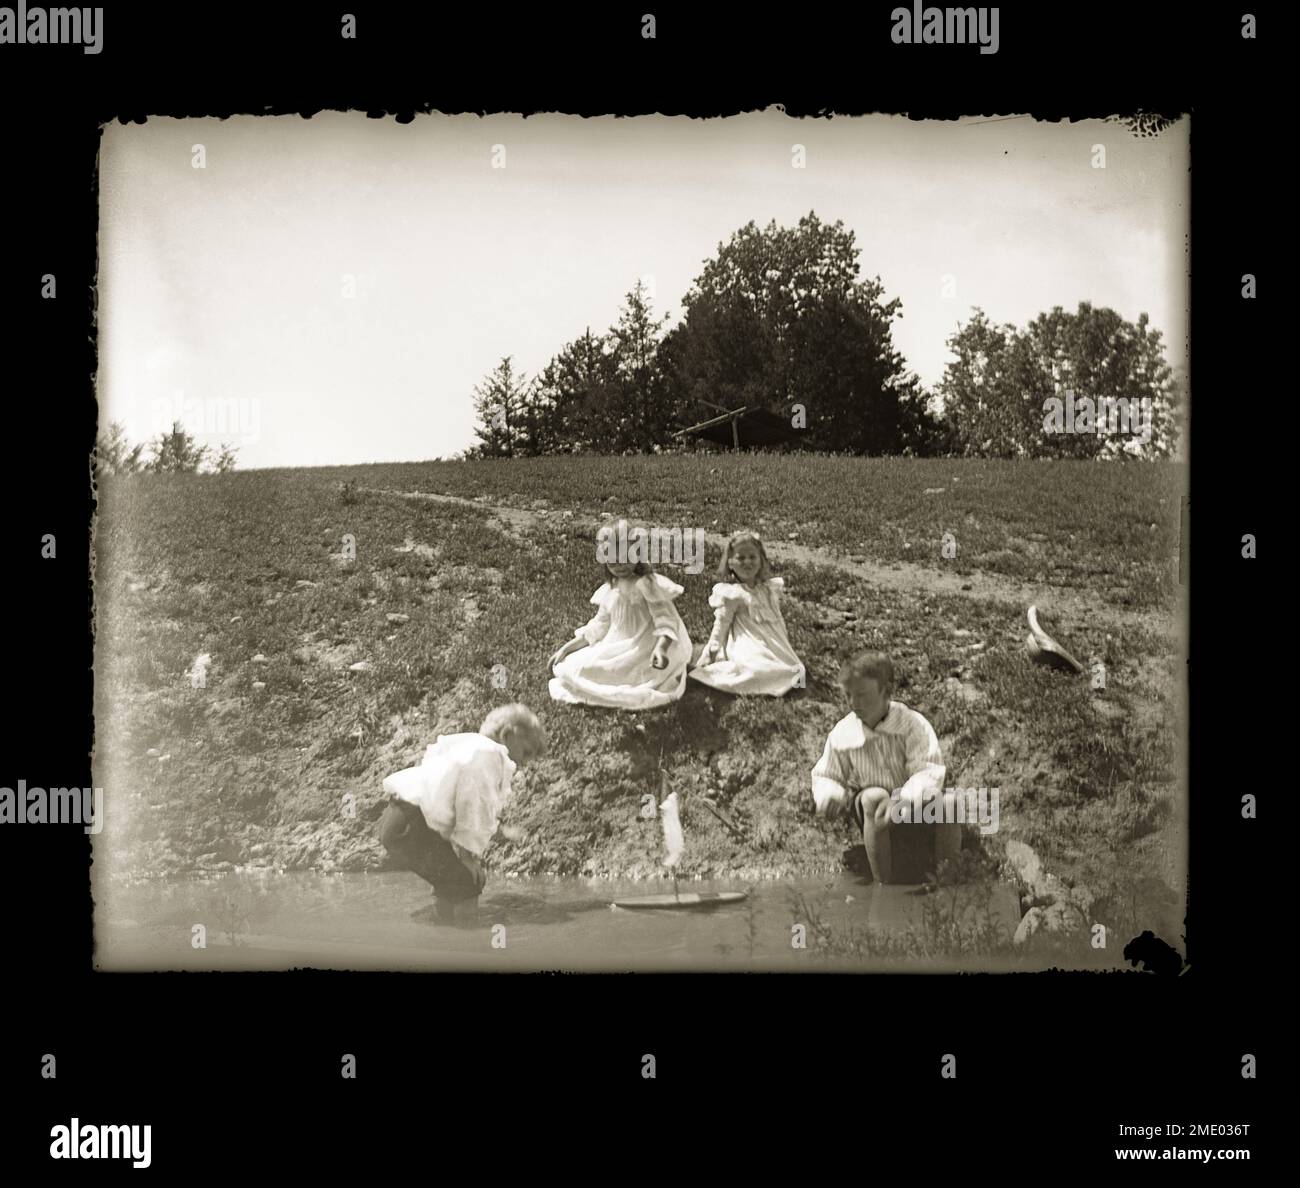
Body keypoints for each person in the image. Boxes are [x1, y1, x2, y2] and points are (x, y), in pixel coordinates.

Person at [378, 703, 547, 922]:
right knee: (467, 882)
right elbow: (472, 804)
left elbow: (453, 803)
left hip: (400, 819)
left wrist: (496, 834)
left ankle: (444, 925)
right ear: (507, 735)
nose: (525, 762)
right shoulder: (489, 754)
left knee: (451, 879)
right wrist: (468, 858)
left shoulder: (470, 746)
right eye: (526, 752)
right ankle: (467, 938)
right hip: (412, 822)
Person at [810, 651, 959, 884]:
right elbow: (827, 774)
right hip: (875, 816)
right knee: (874, 797)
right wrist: (830, 795)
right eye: (848, 695)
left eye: (862, 695)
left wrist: (906, 799)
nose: (854, 703)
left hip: (914, 808)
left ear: (886, 691)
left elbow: (927, 770)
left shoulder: (911, 724)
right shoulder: (844, 732)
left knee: (950, 802)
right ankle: (883, 885)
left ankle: (947, 881)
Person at [547, 520, 692, 710]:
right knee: (581, 666)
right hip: (619, 643)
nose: (620, 565)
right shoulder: (610, 590)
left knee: (633, 677)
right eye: (613, 560)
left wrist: (661, 648)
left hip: (646, 646)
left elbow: (666, 620)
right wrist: (567, 648)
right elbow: (599, 626)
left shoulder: (647, 584)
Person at [688, 529, 805, 696]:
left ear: (761, 560)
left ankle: (776, 672)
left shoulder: (768, 589)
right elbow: (721, 625)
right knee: (755, 668)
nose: (747, 562)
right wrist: (711, 652)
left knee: (795, 669)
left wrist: (785, 646)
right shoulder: (732, 594)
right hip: (746, 642)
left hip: (772, 643)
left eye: (752, 557)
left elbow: (778, 621)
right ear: (730, 563)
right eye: (740, 558)